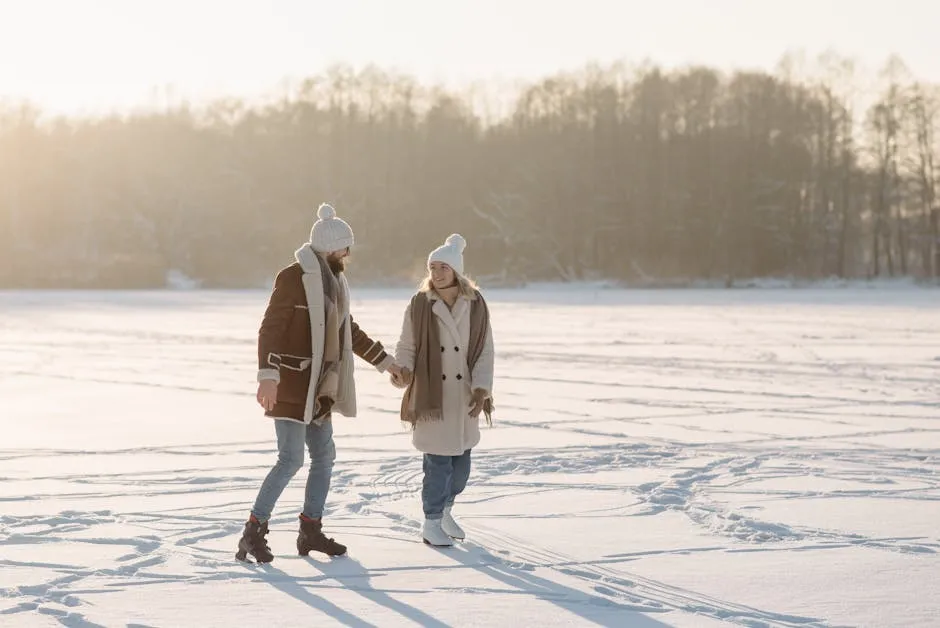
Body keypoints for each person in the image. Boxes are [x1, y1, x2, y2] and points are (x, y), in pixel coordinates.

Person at [236, 203, 404, 563]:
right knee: (290, 459)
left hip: (322, 387)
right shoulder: (294, 277)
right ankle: (252, 532)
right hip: (293, 384)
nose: (348, 254)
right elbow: (270, 329)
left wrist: (385, 362)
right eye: (345, 247)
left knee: (324, 457)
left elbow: (349, 332)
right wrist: (268, 377)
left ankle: (310, 530)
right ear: (331, 248)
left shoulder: (336, 281)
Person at [390, 234, 495, 547]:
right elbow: (407, 343)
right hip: (431, 396)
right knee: (437, 465)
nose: (436, 273)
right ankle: (431, 521)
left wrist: (481, 389)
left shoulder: (475, 303)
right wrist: (403, 369)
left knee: (460, 468)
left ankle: (447, 510)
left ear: (456, 271)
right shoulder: (420, 304)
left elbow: (485, 349)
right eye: (432, 267)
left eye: (442, 267)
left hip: (463, 396)